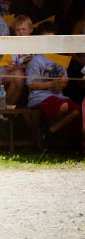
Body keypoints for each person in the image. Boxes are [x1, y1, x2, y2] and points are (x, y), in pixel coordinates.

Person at [26, 21, 82, 151]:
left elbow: (65, 80)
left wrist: (62, 84)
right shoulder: (36, 61)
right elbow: (31, 84)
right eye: (45, 40)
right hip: (39, 97)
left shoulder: (60, 60)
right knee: (63, 106)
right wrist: (51, 84)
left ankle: (49, 132)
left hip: (58, 96)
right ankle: (49, 134)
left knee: (77, 111)